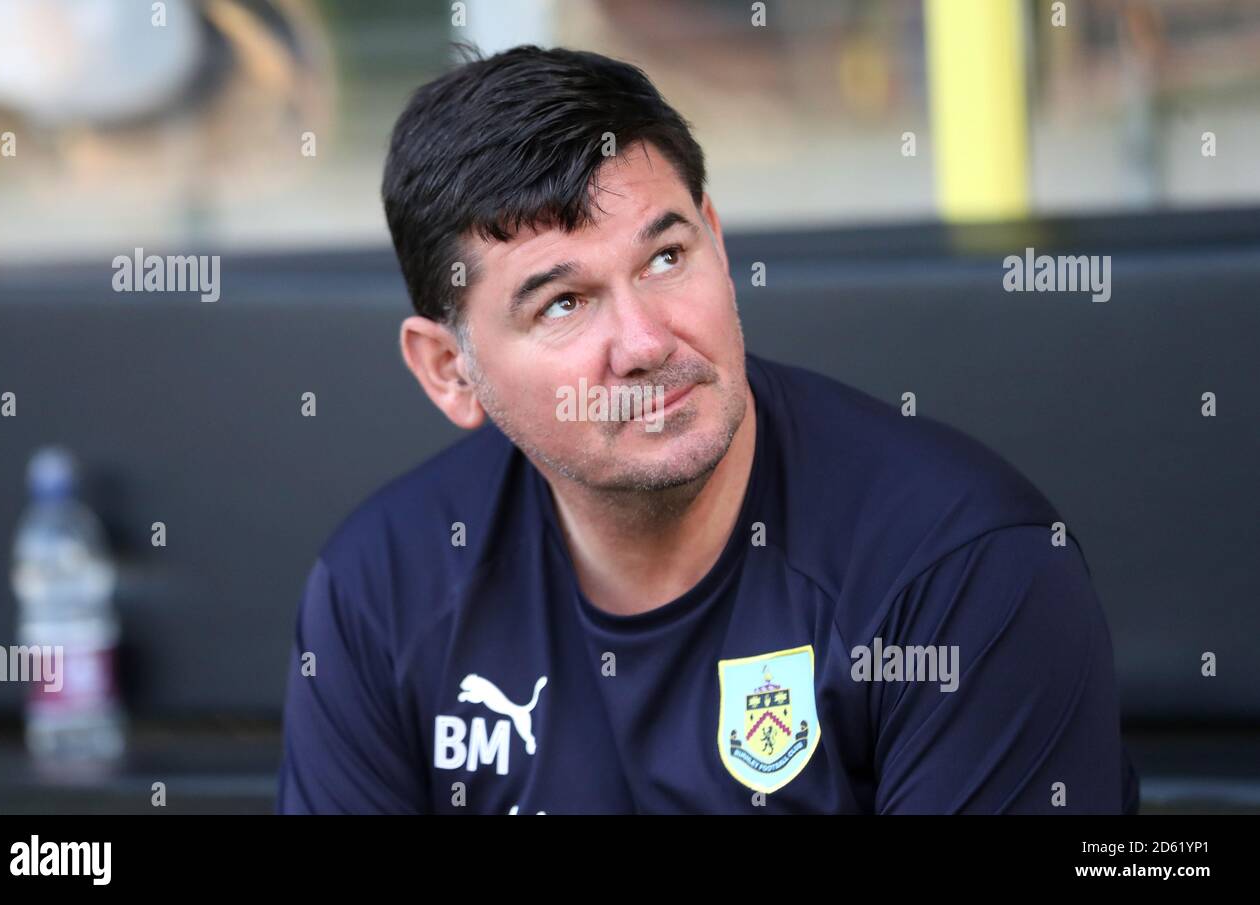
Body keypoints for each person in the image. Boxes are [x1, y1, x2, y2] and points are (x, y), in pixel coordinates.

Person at [277, 44, 1139, 814]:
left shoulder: (963, 569)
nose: (647, 343)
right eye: (565, 304)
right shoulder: (381, 588)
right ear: (449, 370)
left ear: (718, 243)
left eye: (666, 257)